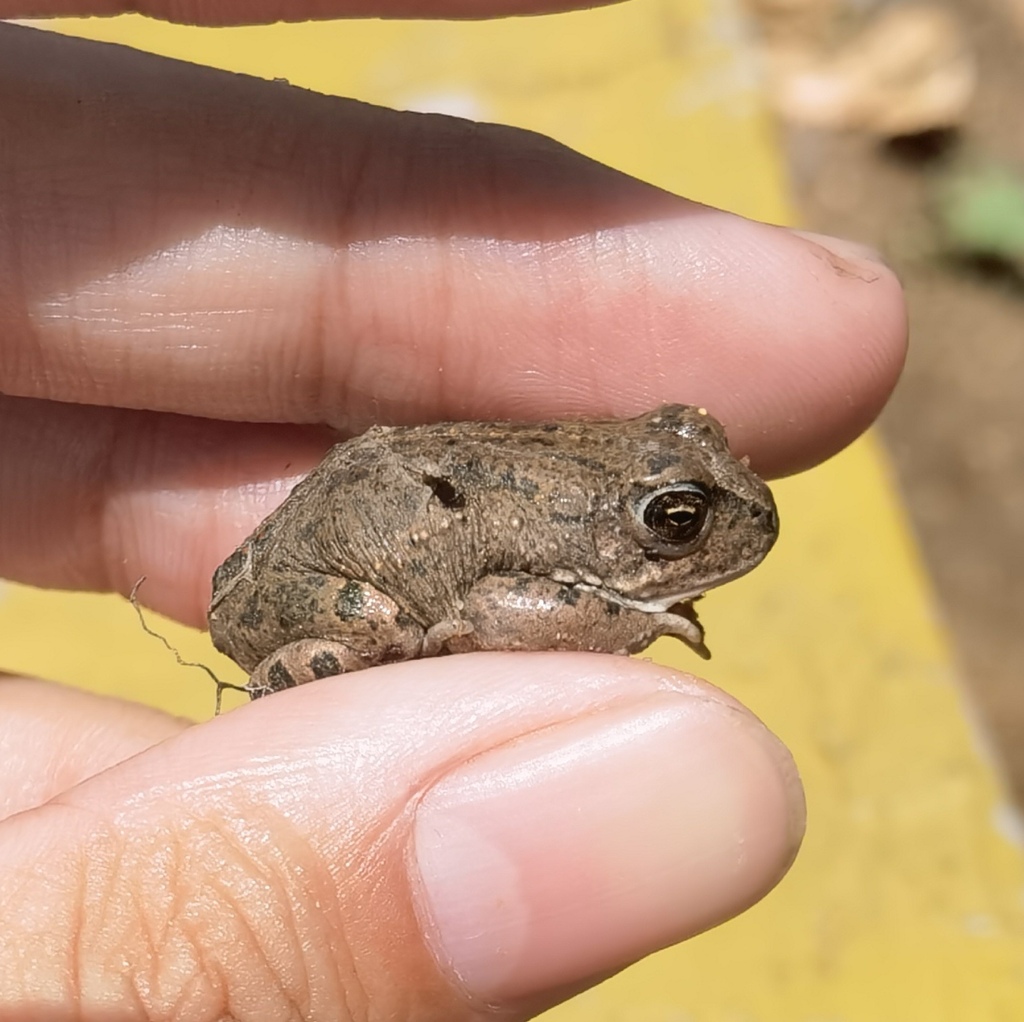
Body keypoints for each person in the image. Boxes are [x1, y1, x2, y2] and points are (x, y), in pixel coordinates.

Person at [0, 5, 906, 1019]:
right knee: (378, 623)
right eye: (678, 518)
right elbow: (491, 610)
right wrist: (626, 619)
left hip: (353, 509)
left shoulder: (583, 508)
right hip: (338, 587)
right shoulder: (561, 564)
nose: (727, 514)